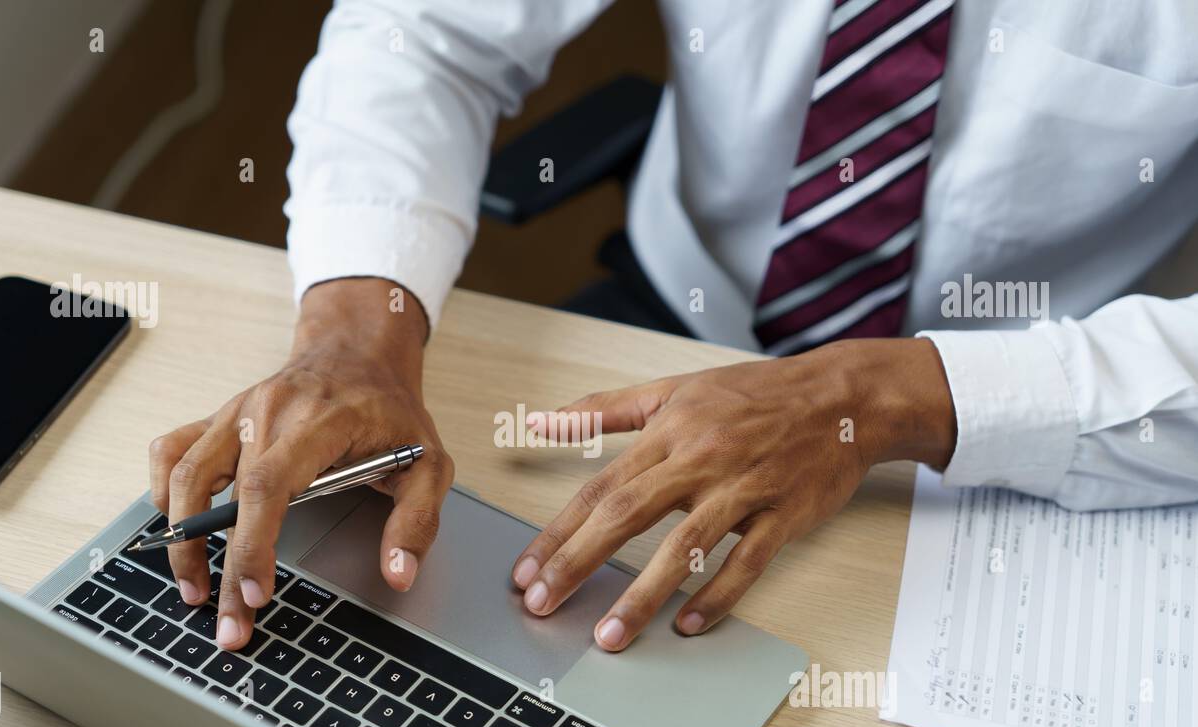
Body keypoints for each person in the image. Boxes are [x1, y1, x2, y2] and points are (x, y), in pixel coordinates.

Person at [149, 0, 1198, 655]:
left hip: (1022, 394)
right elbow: (425, 32)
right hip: (675, 324)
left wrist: (875, 396)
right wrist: (353, 332)